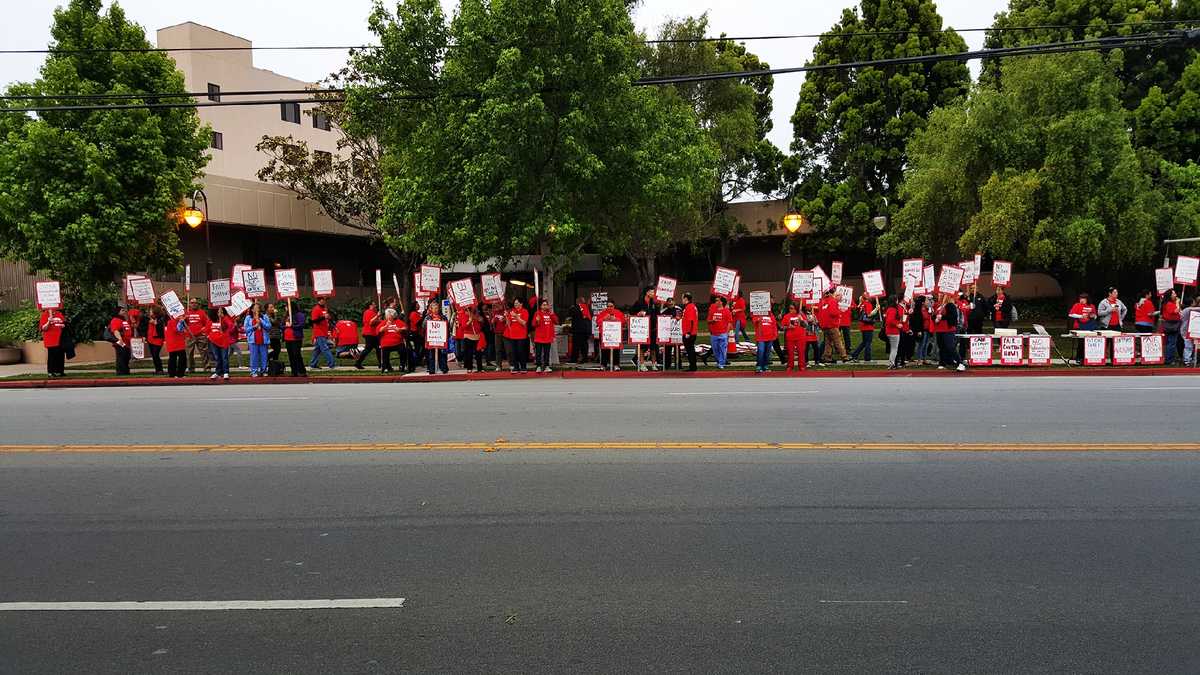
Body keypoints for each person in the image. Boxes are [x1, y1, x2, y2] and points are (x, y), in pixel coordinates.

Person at [630, 288, 660, 371]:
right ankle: (642, 364)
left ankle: (654, 364)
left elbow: (658, 315)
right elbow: (631, 311)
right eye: (651, 292)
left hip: (653, 329)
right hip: (642, 330)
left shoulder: (654, 303)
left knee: (653, 348)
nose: (653, 293)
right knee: (642, 348)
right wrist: (637, 314)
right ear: (647, 293)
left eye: (653, 292)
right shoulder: (639, 302)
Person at [935, 295, 967, 371]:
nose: (940, 296)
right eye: (940, 295)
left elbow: (953, 317)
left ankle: (960, 363)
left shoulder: (950, 305)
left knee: (950, 347)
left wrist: (942, 317)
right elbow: (935, 315)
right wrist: (935, 318)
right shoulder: (939, 306)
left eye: (942, 295)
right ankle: (942, 363)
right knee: (941, 347)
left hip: (948, 329)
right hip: (939, 329)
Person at [817, 289, 847, 364]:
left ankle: (827, 357)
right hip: (832, 325)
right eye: (839, 296)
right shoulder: (833, 301)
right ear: (834, 295)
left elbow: (820, 313)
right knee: (838, 341)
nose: (840, 298)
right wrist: (839, 311)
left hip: (824, 325)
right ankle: (844, 356)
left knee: (828, 342)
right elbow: (833, 313)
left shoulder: (822, 302)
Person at [1067, 292, 1098, 364]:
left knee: (1088, 342)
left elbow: (1095, 316)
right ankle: (1079, 358)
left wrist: (1093, 316)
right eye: (1080, 298)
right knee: (1081, 343)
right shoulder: (1077, 305)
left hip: (1089, 326)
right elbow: (1071, 314)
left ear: (1087, 299)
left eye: (1083, 298)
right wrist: (1080, 316)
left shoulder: (1092, 306)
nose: (1082, 300)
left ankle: (1087, 358)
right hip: (1079, 326)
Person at [596, 300, 626, 371]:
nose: (609, 308)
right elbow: (597, 322)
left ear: (614, 306)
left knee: (616, 350)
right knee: (604, 350)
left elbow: (624, 322)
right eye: (608, 306)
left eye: (611, 306)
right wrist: (604, 318)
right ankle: (603, 365)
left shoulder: (618, 312)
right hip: (604, 335)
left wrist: (616, 319)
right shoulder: (602, 313)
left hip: (616, 335)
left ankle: (616, 365)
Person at [244, 302, 271, 377]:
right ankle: (254, 371)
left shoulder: (264, 316)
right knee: (254, 356)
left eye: (258, 308)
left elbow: (269, 327)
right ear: (252, 309)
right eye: (255, 308)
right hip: (253, 340)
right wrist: (254, 326)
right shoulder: (248, 318)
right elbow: (246, 329)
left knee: (264, 356)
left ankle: (264, 370)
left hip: (263, 339)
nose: (257, 309)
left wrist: (261, 321)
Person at [39, 306, 67, 377]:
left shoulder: (59, 314)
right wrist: (49, 321)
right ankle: (51, 371)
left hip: (60, 338)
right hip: (50, 339)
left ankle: (60, 371)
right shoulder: (44, 315)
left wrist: (63, 325)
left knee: (60, 355)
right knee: (52, 356)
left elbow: (64, 323)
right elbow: (43, 328)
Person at [504, 298, 530, 373]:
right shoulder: (512, 311)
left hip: (521, 335)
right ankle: (516, 367)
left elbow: (524, 323)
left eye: (517, 303)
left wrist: (516, 316)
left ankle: (523, 367)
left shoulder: (524, 311)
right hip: (512, 335)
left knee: (521, 351)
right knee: (513, 352)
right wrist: (506, 317)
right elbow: (508, 324)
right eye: (515, 303)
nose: (515, 305)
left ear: (521, 304)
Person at [308, 297, 335, 369]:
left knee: (317, 349)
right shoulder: (316, 309)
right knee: (325, 348)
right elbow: (314, 321)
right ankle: (332, 364)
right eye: (323, 300)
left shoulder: (324, 309)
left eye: (325, 300)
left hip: (324, 331)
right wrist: (323, 317)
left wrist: (328, 318)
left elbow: (326, 319)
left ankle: (313, 363)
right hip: (319, 332)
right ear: (319, 301)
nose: (324, 301)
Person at [184, 298, 209, 372]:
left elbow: (207, 323)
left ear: (198, 304)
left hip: (201, 336)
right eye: (192, 303)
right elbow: (182, 324)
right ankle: (191, 368)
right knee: (189, 353)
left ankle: (207, 367)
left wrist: (204, 330)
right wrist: (184, 320)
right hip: (189, 336)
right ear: (189, 304)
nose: (194, 304)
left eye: (195, 303)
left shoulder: (202, 312)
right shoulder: (186, 313)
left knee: (204, 352)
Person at [849, 294, 877, 362]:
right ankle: (868, 358)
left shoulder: (862, 304)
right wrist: (876, 309)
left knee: (864, 342)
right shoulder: (868, 304)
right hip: (868, 326)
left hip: (863, 326)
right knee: (868, 342)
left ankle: (854, 354)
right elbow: (869, 315)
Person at [753, 303, 779, 373]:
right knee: (761, 351)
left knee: (767, 352)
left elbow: (774, 326)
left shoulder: (771, 315)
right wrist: (759, 319)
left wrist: (775, 334)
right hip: (761, 337)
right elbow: (754, 321)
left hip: (770, 337)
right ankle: (759, 366)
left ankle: (765, 365)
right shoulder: (757, 314)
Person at [206, 308, 231, 380]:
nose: (220, 313)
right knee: (217, 358)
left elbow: (230, 325)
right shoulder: (211, 320)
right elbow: (207, 329)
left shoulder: (225, 319)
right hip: (214, 342)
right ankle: (218, 372)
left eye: (222, 312)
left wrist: (223, 317)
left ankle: (226, 372)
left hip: (223, 341)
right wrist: (209, 336)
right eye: (219, 311)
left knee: (224, 357)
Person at [355, 301, 381, 370]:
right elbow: (371, 323)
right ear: (370, 305)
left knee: (377, 349)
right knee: (369, 349)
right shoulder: (368, 312)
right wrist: (379, 320)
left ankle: (381, 363)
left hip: (373, 333)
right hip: (370, 333)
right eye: (374, 304)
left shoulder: (371, 312)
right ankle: (358, 362)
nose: (375, 305)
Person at [782, 302, 807, 372]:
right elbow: (782, 327)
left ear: (796, 309)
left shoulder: (801, 315)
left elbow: (806, 326)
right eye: (790, 308)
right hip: (790, 337)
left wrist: (801, 320)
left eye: (792, 308)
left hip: (800, 336)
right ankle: (790, 365)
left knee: (801, 351)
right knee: (790, 352)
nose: (791, 310)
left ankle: (801, 365)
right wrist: (788, 327)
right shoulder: (786, 316)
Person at [378, 308, 406, 373]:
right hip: (386, 343)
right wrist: (386, 326)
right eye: (386, 315)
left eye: (388, 315)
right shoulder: (384, 322)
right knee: (385, 352)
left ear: (392, 315)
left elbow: (405, 328)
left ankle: (402, 365)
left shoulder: (398, 322)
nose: (386, 316)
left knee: (403, 350)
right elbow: (379, 330)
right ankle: (386, 367)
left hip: (398, 343)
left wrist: (399, 329)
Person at [708, 296, 732, 369]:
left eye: (718, 301)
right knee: (715, 350)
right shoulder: (712, 311)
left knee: (722, 349)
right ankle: (719, 361)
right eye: (715, 301)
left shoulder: (726, 311)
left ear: (722, 302)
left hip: (723, 334)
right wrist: (713, 321)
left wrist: (726, 333)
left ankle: (721, 363)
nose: (716, 302)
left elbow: (729, 323)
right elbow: (708, 321)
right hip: (714, 334)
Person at [425, 303, 450, 375]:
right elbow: (424, 326)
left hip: (441, 338)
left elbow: (447, 326)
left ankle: (444, 368)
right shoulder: (428, 317)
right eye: (434, 308)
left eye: (437, 308)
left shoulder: (443, 317)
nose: (436, 310)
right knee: (432, 354)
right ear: (431, 309)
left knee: (442, 354)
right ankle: (432, 369)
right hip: (432, 338)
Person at [283, 305, 307, 377]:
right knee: (291, 355)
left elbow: (301, 325)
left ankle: (301, 371)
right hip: (287, 338)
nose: (285, 308)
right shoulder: (286, 315)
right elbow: (281, 325)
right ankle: (294, 371)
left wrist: (292, 325)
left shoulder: (299, 315)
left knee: (297, 354)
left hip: (296, 338)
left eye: (287, 306)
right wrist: (285, 326)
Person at [108, 307, 133, 375]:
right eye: (122, 310)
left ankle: (126, 371)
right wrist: (120, 339)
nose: (124, 311)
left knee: (126, 357)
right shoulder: (115, 320)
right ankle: (121, 372)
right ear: (117, 312)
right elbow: (115, 330)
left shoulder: (123, 320)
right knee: (121, 358)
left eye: (124, 310)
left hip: (127, 343)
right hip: (121, 343)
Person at [460, 305, 485, 372]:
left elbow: (481, 324)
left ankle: (480, 368)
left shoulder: (475, 315)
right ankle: (469, 368)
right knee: (469, 353)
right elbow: (463, 327)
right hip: (468, 336)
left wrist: (480, 320)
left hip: (476, 336)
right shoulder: (463, 315)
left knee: (478, 353)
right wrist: (469, 321)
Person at [1161, 289, 1182, 365]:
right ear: (1170, 295)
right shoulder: (1169, 303)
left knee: (1170, 342)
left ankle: (1169, 358)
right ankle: (1169, 360)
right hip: (1172, 325)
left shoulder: (1169, 303)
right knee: (1171, 343)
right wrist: (1177, 302)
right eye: (1174, 293)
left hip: (1171, 325)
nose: (1175, 295)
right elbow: (1176, 311)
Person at [164, 310, 188, 378]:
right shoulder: (171, 321)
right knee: (173, 359)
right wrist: (181, 321)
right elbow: (177, 329)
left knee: (182, 359)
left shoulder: (178, 321)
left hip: (179, 342)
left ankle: (180, 373)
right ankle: (172, 374)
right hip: (174, 343)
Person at [569, 297, 592, 363]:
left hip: (577, 330)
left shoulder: (575, 308)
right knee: (584, 345)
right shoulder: (587, 308)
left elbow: (570, 314)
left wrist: (571, 307)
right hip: (586, 329)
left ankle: (574, 359)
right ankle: (585, 358)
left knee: (576, 345)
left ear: (577, 302)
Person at [885, 297, 906, 370]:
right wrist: (897, 324)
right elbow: (890, 320)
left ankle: (891, 363)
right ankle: (892, 363)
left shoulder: (889, 309)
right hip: (893, 331)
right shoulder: (893, 310)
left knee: (893, 348)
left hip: (890, 331)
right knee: (894, 349)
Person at [145, 305, 166, 375]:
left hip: (158, 339)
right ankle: (157, 369)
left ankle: (160, 369)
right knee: (153, 355)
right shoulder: (148, 318)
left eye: (151, 311)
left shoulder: (161, 318)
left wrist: (155, 323)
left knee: (155, 354)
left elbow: (161, 327)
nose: (149, 312)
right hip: (150, 338)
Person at [681, 292, 699, 372]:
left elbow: (691, 321)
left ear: (686, 298)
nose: (682, 300)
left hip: (689, 333)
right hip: (690, 332)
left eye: (683, 298)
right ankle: (692, 366)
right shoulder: (691, 306)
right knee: (690, 350)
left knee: (690, 350)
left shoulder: (690, 307)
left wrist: (688, 332)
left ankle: (693, 366)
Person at [1182, 296, 1200, 366]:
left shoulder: (1185, 310)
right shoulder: (1188, 309)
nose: (1195, 303)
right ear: (1191, 303)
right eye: (1194, 301)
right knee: (1188, 346)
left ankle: (1191, 360)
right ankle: (1187, 361)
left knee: (1191, 346)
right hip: (1187, 331)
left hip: (1193, 330)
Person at [408, 302, 425, 373]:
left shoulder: (416, 313)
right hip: (415, 333)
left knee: (420, 347)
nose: (419, 306)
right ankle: (418, 360)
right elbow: (418, 323)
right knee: (420, 347)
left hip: (418, 333)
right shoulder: (413, 314)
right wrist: (424, 317)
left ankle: (419, 359)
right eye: (417, 305)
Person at [266, 304, 283, 371]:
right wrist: (275, 314)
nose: (273, 308)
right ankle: (266, 358)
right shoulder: (267, 316)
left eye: (273, 307)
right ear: (267, 309)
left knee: (278, 350)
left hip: (277, 335)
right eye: (271, 307)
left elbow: (278, 323)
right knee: (276, 350)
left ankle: (275, 367)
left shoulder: (274, 315)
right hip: (271, 335)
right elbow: (274, 322)